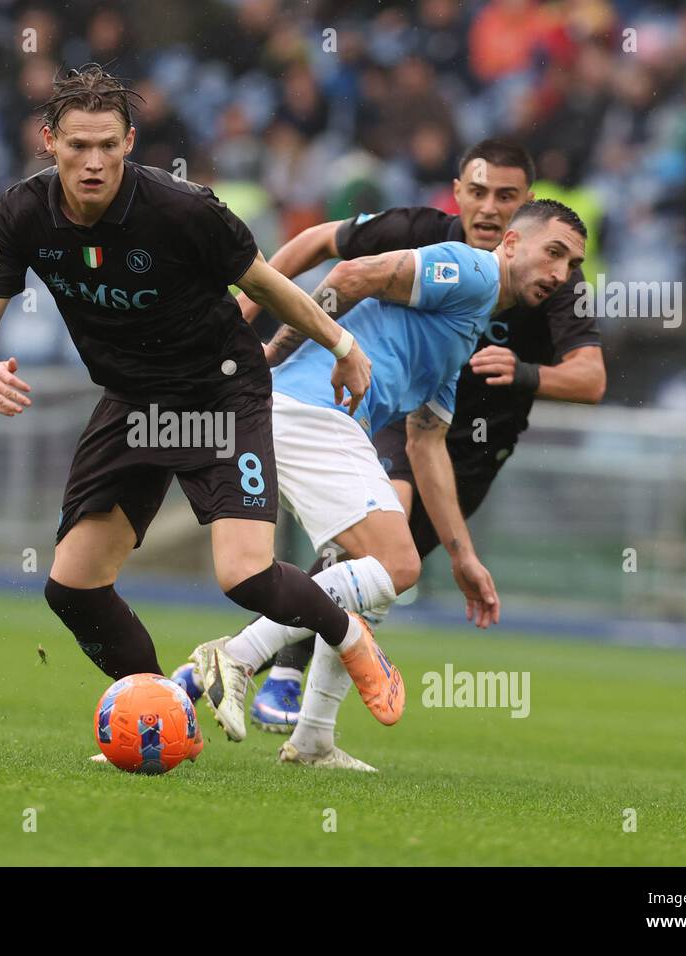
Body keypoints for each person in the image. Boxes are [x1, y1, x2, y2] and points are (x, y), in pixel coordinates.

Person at [0, 65, 400, 763]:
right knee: (72, 588)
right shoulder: (23, 212)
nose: (94, 161)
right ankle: (164, 713)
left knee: (244, 577)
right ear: (49, 142)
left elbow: (269, 285)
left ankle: (348, 636)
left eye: (108, 145)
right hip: (133, 401)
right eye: (78, 147)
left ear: (130, 141)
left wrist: (342, 344)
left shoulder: (183, 208)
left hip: (220, 390)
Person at [178, 139, 606, 732]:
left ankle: (312, 736)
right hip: (307, 412)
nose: (561, 274)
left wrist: (463, 557)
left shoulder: (467, 328)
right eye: (554, 254)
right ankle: (237, 660)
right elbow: (352, 272)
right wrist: (271, 357)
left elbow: (426, 443)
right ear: (511, 241)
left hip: (316, 419)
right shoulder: (474, 269)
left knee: (376, 579)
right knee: (396, 565)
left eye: (572, 265)